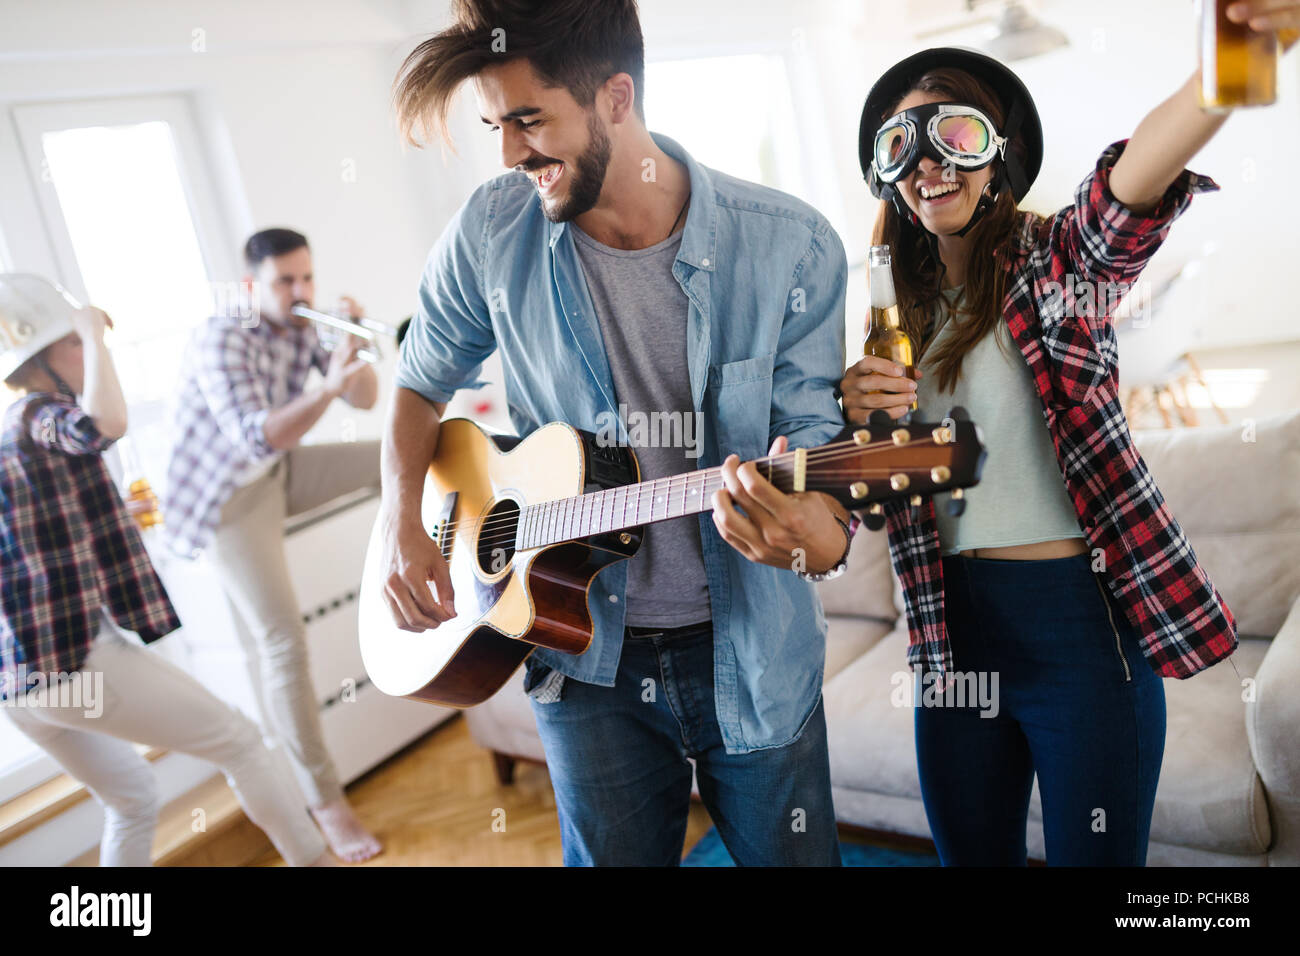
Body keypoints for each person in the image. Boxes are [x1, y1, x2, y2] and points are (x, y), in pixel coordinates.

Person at [383, 0, 854, 865]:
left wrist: (814, 540)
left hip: (750, 650)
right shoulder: (493, 231)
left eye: (527, 120)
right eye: (495, 125)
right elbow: (417, 382)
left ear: (616, 97)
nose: (509, 154)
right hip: (577, 649)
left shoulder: (792, 248)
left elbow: (820, 496)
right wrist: (399, 521)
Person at [838, 18, 1297, 864]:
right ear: (886, 173)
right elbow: (872, 508)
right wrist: (862, 430)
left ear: (997, 155)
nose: (930, 164)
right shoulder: (883, 320)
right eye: (903, 145)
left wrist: (1222, 68)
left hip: (1080, 636)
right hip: (949, 637)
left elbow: (1127, 189)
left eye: (957, 135)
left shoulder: (1057, 265)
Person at [0, 274, 335, 867]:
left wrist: (111, 515)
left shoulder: (13, 434)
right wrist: (92, 329)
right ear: (45, 358)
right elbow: (105, 426)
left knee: (130, 798)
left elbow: (32, 542)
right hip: (75, 663)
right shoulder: (38, 414)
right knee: (243, 742)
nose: (88, 356)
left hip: (21, 685)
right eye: (77, 347)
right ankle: (317, 860)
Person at [162, 228, 383, 862]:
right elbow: (261, 439)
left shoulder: (304, 323)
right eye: (285, 281)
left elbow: (366, 402)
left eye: (306, 277)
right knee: (283, 642)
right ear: (251, 283)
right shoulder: (221, 336)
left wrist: (349, 349)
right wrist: (327, 387)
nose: (300, 291)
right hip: (227, 496)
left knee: (397, 454)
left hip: (275, 472)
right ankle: (327, 804)